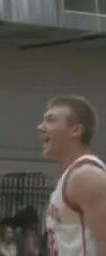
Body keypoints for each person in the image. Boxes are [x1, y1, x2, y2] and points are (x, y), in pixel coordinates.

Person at [38, 95, 106, 256]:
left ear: (75, 130)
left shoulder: (86, 175)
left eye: (51, 120)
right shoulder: (72, 175)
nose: (40, 127)